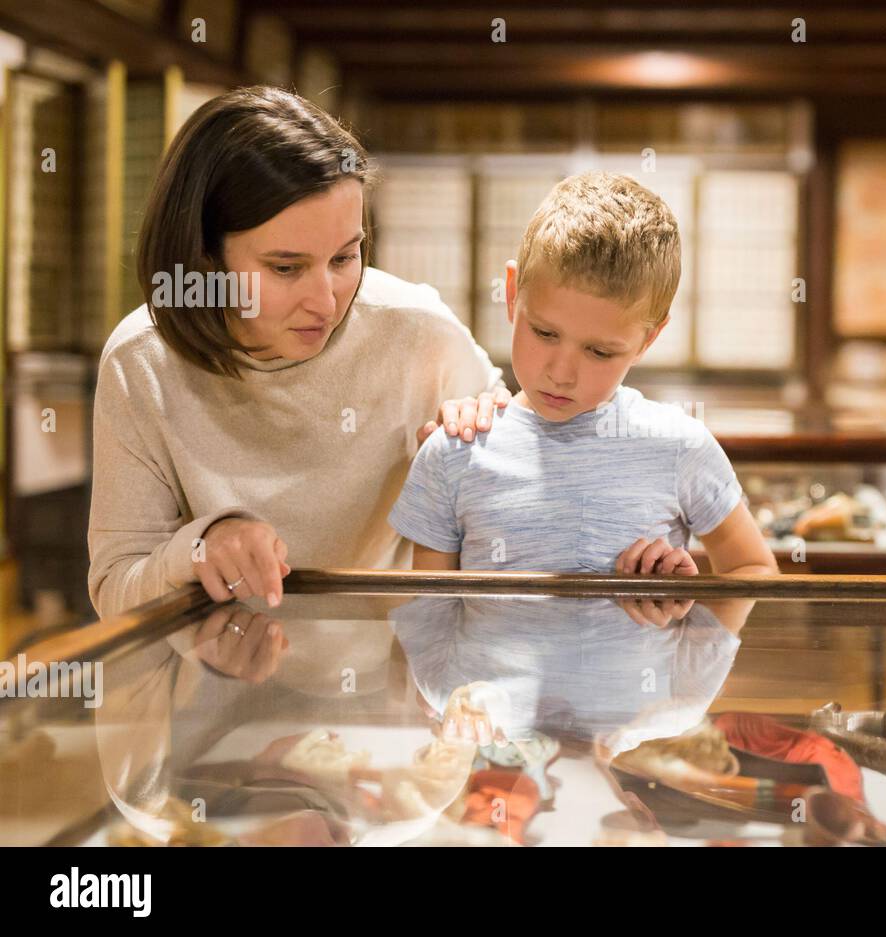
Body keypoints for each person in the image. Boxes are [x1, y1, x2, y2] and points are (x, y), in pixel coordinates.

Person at [88, 86, 509, 619]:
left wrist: (486, 426)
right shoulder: (142, 361)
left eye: (344, 257)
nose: (325, 301)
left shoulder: (416, 331)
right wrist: (200, 547)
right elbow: (114, 591)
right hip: (212, 685)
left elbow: (518, 472)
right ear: (203, 257)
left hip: (388, 683)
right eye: (286, 268)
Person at [387, 171, 779, 585]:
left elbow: (754, 570)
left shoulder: (682, 446)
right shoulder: (454, 452)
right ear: (512, 292)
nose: (561, 374)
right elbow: (428, 619)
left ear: (649, 339)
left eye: (599, 352)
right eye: (544, 333)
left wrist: (685, 623)